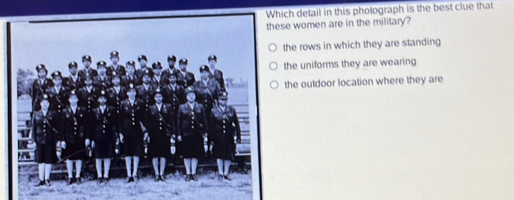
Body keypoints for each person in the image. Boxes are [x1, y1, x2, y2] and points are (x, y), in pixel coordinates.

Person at [177, 87, 209, 181]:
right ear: (186, 97)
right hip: (186, 133)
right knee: (186, 154)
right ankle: (188, 173)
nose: (191, 97)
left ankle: (194, 172)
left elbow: (204, 120)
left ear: (195, 96)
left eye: (193, 95)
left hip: (197, 133)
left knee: (195, 153)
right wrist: (179, 134)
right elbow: (179, 121)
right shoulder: (182, 107)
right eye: (189, 95)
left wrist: (206, 131)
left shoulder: (200, 106)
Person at [209, 91, 241, 181]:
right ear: (218, 100)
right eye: (222, 100)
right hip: (218, 136)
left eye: (225, 100)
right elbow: (211, 126)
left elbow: (236, 123)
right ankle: (220, 173)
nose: (224, 102)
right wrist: (211, 139)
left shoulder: (231, 110)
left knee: (228, 154)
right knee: (219, 154)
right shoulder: (214, 111)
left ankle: (226, 173)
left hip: (228, 135)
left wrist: (238, 136)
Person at [88, 90, 118, 184]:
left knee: (107, 156)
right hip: (98, 136)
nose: (102, 100)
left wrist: (115, 136)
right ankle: (99, 175)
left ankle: (106, 175)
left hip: (108, 135)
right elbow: (91, 126)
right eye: (100, 98)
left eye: (104, 98)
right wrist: (91, 138)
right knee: (98, 156)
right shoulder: (94, 111)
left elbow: (114, 123)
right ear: (98, 100)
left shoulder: (111, 109)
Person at [119, 84, 147, 183]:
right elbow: (120, 119)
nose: (132, 94)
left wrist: (145, 131)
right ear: (127, 93)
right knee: (128, 153)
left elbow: (144, 117)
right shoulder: (123, 104)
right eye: (130, 92)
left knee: (136, 152)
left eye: (133, 92)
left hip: (137, 130)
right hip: (127, 130)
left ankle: (134, 173)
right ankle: (128, 174)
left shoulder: (140, 103)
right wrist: (121, 133)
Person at [146, 88, 174, 181]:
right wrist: (148, 134)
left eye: (160, 96)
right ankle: (156, 173)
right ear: (154, 98)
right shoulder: (150, 108)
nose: (158, 98)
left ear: (162, 97)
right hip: (154, 133)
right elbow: (148, 122)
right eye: (156, 96)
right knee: (154, 154)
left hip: (164, 133)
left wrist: (172, 132)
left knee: (163, 154)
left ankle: (162, 173)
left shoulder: (168, 107)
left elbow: (171, 120)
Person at [61, 90, 88, 185]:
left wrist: (87, 137)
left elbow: (86, 125)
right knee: (69, 158)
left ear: (77, 99)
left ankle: (78, 176)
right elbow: (62, 127)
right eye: (71, 98)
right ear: (68, 100)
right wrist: (62, 140)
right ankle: (70, 176)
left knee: (79, 157)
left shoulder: (82, 110)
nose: (73, 100)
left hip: (79, 137)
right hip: (69, 138)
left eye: (75, 98)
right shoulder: (65, 111)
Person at [32, 94, 59, 186]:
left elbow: (56, 128)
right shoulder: (36, 114)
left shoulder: (53, 114)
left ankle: (47, 178)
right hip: (39, 140)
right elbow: (34, 129)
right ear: (40, 104)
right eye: (43, 103)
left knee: (48, 159)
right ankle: (41, 179)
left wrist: (56, 140)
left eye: (46, 103)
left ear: (49, 104)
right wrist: (34, 141)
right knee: (41, 160)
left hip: (49, 140)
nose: (45, 105)